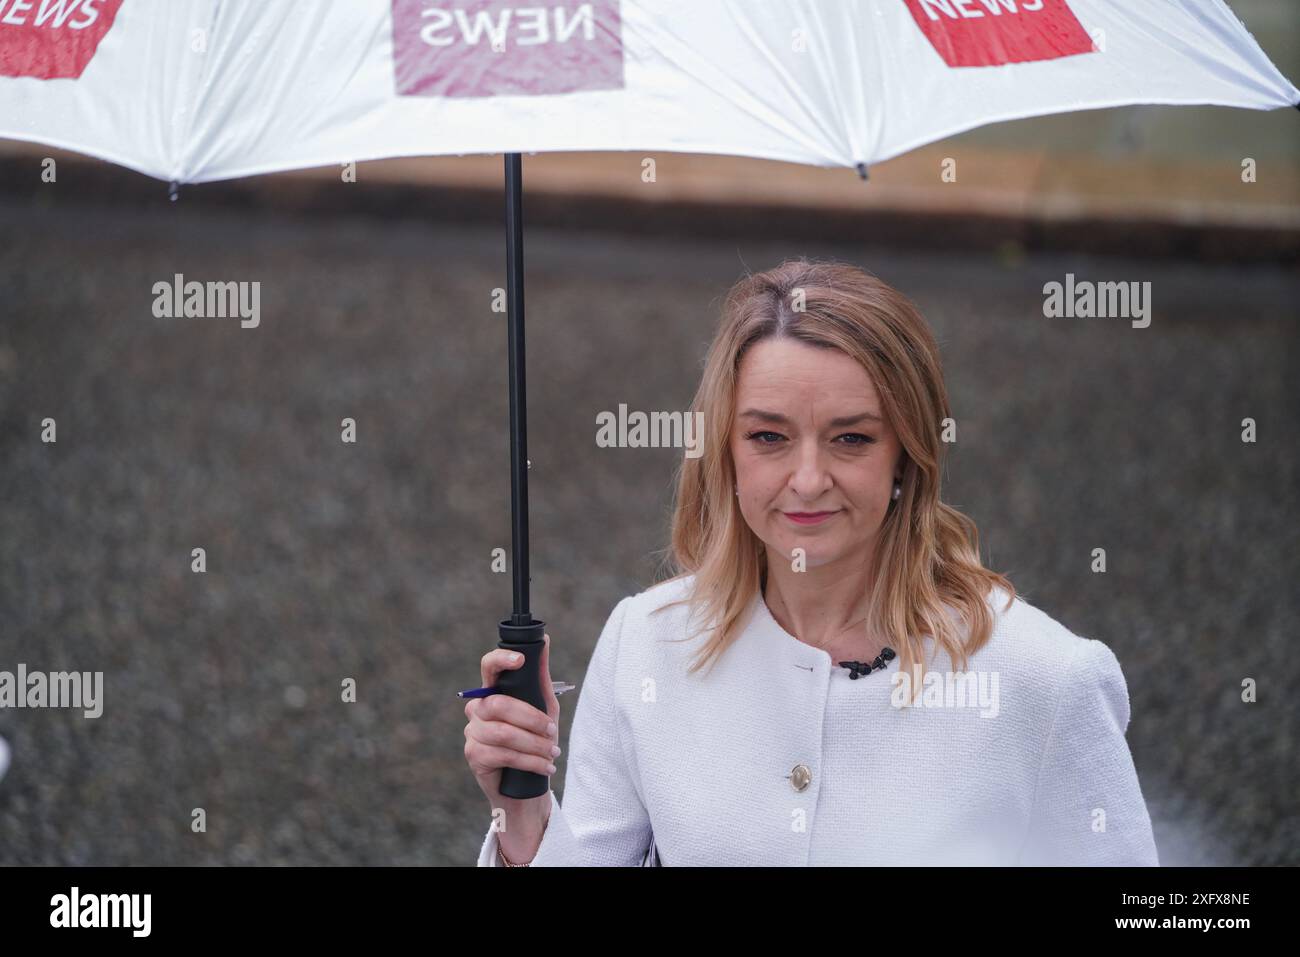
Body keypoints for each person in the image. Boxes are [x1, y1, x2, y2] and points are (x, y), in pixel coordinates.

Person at [463, 258, 1160, 866]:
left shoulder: (1046, 679)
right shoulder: (645, 643)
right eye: (768, 435)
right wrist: (521, 816)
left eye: (850, 438)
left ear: (906, 457)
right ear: (726, 451)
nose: (806, 478)